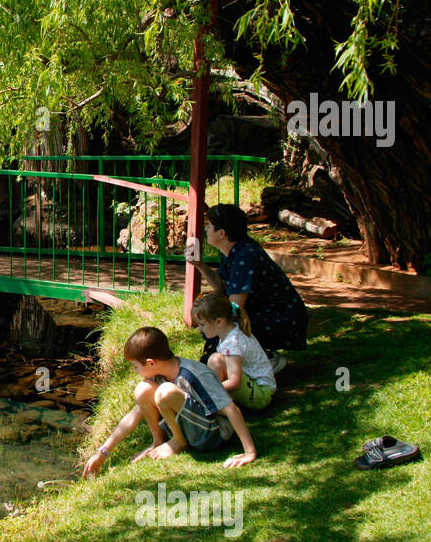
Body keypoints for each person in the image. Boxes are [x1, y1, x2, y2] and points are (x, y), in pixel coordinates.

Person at [81, 326, 258, 477]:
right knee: (143, 389)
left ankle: (178, 442)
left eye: (136, 366)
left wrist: (249, 452)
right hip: (194, 425)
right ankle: (159, 441)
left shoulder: (194, 374)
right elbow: (133, 415)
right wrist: (103, 452)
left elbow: (231, 410)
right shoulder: (159, 374)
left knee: (165, 392)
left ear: (151, 363)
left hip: (214, 433)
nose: (135, 371)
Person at [188, 203, 307, 371]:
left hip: (281, 320)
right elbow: (221, 286)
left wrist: (208, 320)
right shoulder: (234, 250)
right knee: (212, 323)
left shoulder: (245, 255)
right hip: (270, 314)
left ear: (222, 233)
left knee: (218, 323)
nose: (206, 228)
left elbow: (234, 309)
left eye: (210, 225)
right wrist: (199, 264)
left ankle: (263, 360)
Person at [192, 291, 277, 411]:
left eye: (202, 324)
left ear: (218, 321)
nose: (199, 329)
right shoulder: (232, 330)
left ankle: (212, 404)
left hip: (260, 394)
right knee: (216, 360)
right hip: (256, 388)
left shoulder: (233, 343)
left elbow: (234, 382)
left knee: (215, 360)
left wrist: (207, 391)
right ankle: (213, 403)